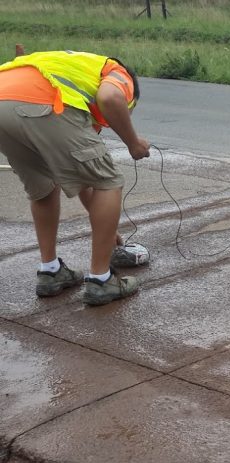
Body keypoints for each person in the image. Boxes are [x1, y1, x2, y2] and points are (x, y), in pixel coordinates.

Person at [0, 49, 150, 306]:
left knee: (43, 187)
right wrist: (133, 143)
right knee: (109, 180)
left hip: (4, 102)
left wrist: (107, 228)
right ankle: (101, 281)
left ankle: (50, 272)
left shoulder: (70, 66)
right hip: (42, 104)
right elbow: (110, 97)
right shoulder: (116, 72)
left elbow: (84, 179)